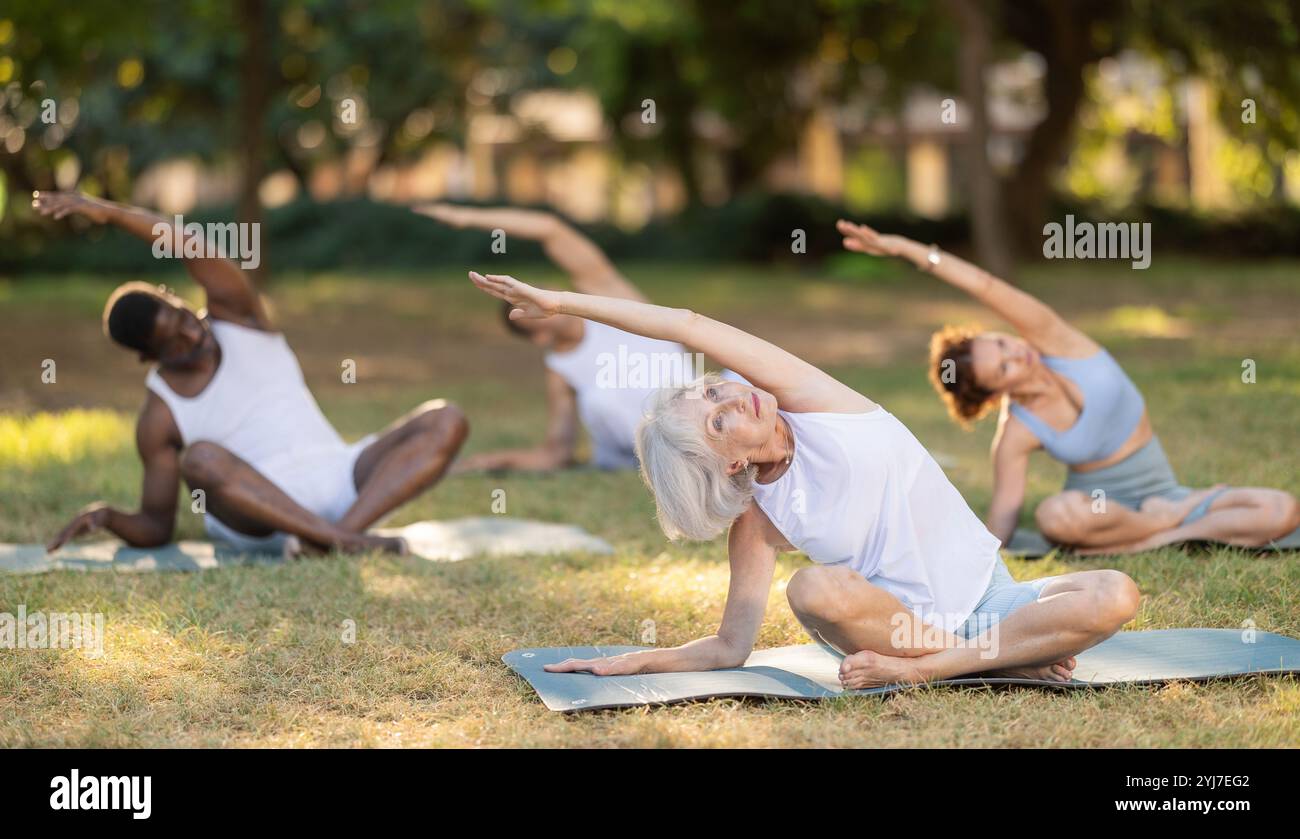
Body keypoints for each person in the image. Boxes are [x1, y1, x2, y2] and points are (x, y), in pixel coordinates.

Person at [467, 268, 1140, 688]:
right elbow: (732, 646)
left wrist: (558, 301)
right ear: (729, 463)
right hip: (898, 632)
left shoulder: (812, 400)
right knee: (814, 588)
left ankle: (963, 665)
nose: (735, 399)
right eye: (720, 422)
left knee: (1114, 592)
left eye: (713, 391)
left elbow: (687, 323)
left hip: (989, 599)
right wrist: (640, 661)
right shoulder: (759, 516)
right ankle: (991, 659)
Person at [35, 190, 468, 556]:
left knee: (446, 419)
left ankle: (334, 541)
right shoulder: (159, 415)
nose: (193, 335)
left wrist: (111, 212)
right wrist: (109, 516)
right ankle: (342, 541)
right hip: (261, 518)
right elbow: (156, 525)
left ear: (177, 299)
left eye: (183, 317)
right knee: (200, 458)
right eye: (174, 342)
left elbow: (190, 245)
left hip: (340, 476)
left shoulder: (240, 317)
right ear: (149, 358)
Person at [834, 219, 1300, 555]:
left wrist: (905, 248)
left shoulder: (1058, 341)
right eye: (1003, 368)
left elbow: (986, 285)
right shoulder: (1017, 432)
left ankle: (1161, 533)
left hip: (1170, 497)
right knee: (1055, 517)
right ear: (995, 394)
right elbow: (1002, 520)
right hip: (1101, 511)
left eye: (1002, 343)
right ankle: (1157, 529)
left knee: (1281, 509)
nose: (1017, 353)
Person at [417, 204, 705, 472]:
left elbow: (551, 229)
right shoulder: (561, 371)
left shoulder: (609, 295)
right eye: (534, 305)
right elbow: (556, 453)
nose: (545, 300)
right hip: (650, 453)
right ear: (539, 336)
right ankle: (667, 459)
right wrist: (481, 462)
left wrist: (468, 217)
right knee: (598, 403)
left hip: (702, 415)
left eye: (543, 292)